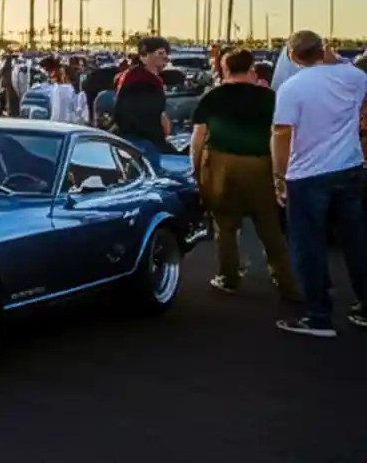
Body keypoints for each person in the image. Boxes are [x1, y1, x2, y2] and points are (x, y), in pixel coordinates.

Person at [271, 31, 367, 336]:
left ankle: (319, 316)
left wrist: (278, 176)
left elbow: (282, 133)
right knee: (357, 241)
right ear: (322, 49)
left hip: (307, 175)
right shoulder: (354, 78)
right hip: (349, 168)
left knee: (308, 245)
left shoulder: (292, 87)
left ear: (293, 56)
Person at [189, 48, 300, 299]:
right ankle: (286, 281)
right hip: (261, 165)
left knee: (225, 226)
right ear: (252, 68)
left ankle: (228, 277)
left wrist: (196, 170)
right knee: (270, 227)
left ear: (225, 68)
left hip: (221, 165)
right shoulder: (269, 97)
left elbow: (198, 138)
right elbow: (281, 132)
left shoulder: (213, 97)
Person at [112, 37, 174, 169]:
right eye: (160, 53)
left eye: (166, 54)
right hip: (142, 142)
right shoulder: (141, 80)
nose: (165, 58)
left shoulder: (137, 77)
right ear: (144, 56)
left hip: (136, 139)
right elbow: (142, 114)